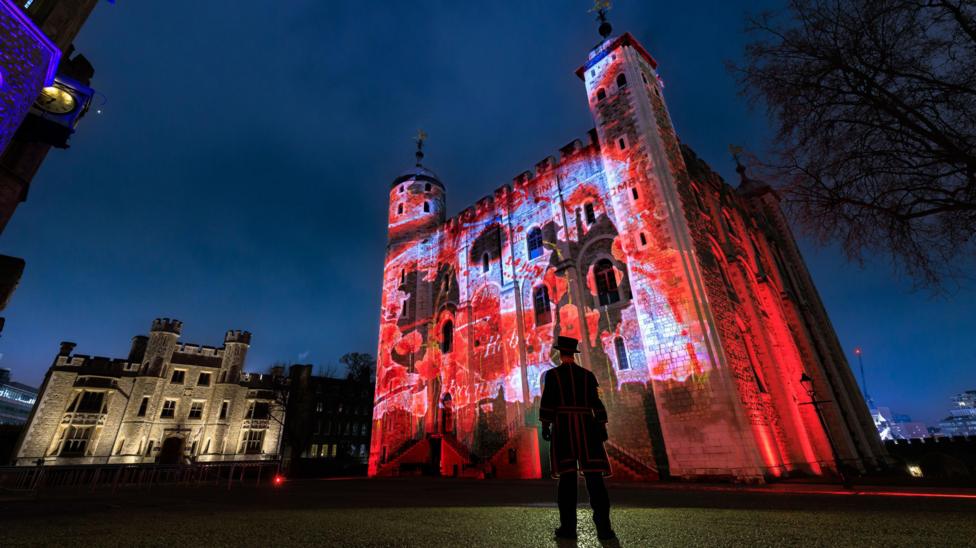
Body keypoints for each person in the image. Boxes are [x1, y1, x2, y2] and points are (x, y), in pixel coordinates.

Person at [540, 336, 615, 540]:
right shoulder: (587, 376)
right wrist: (601, 424)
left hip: (564, 428)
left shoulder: (553, 375)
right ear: (573, 353)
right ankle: (604, 529)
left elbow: (548, 401)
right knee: (595, 479)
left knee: (567, 481)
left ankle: (568, 529)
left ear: (560, 353)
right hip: (587, 427)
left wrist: (545, 424)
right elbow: (596, 402)